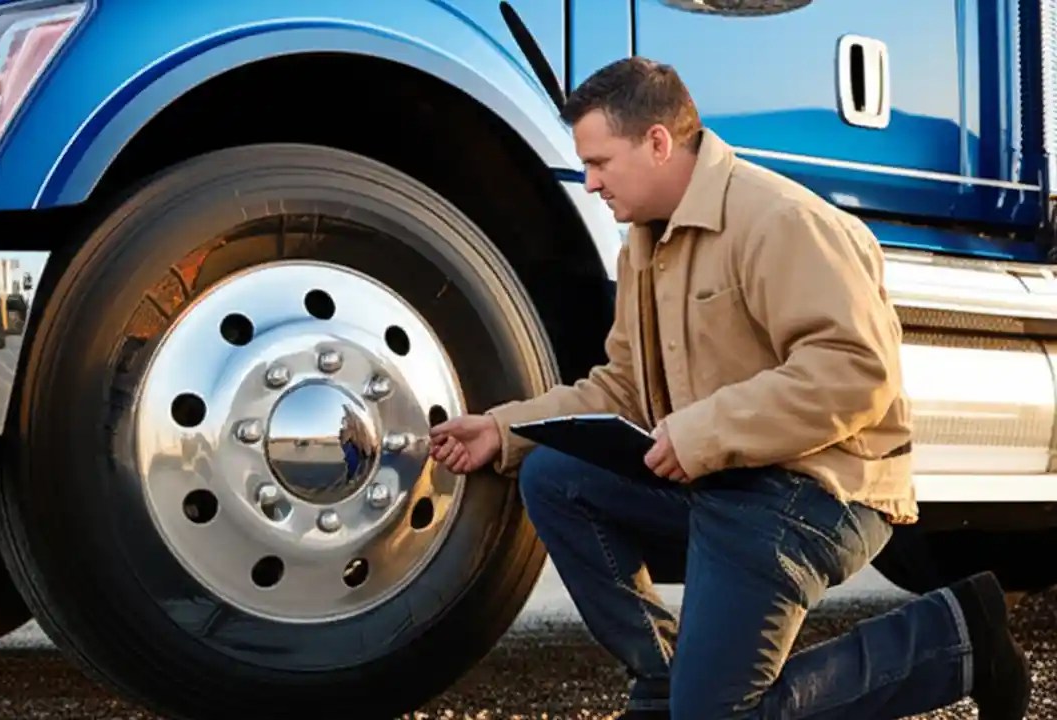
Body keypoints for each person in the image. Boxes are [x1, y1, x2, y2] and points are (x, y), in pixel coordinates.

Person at [428, 57, 1031, 720]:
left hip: (817, 490)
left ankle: (955, 639)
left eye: (600, 161)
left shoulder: (781, 220)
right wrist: (502, 428)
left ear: (657, 142)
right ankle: (665, 680)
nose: (590, 180)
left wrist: (702, 434)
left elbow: (854, 370)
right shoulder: (642, 246)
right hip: (726, 481)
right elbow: (624, 386)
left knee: (718, 714)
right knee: (553, 476)